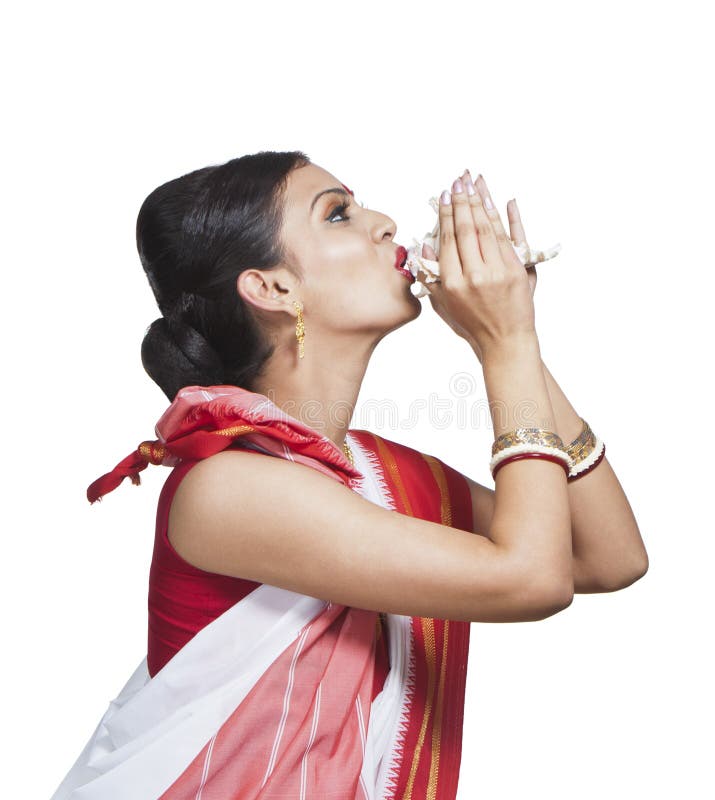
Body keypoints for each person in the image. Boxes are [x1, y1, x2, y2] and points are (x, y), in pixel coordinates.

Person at [51, 151, 648, 799]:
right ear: (273, 289)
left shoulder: (376, 471)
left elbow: (605, 557)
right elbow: (531, 579)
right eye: (338, 214)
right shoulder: (228, 485)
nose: (386, 223)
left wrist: (509, 342)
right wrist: (507, 346)